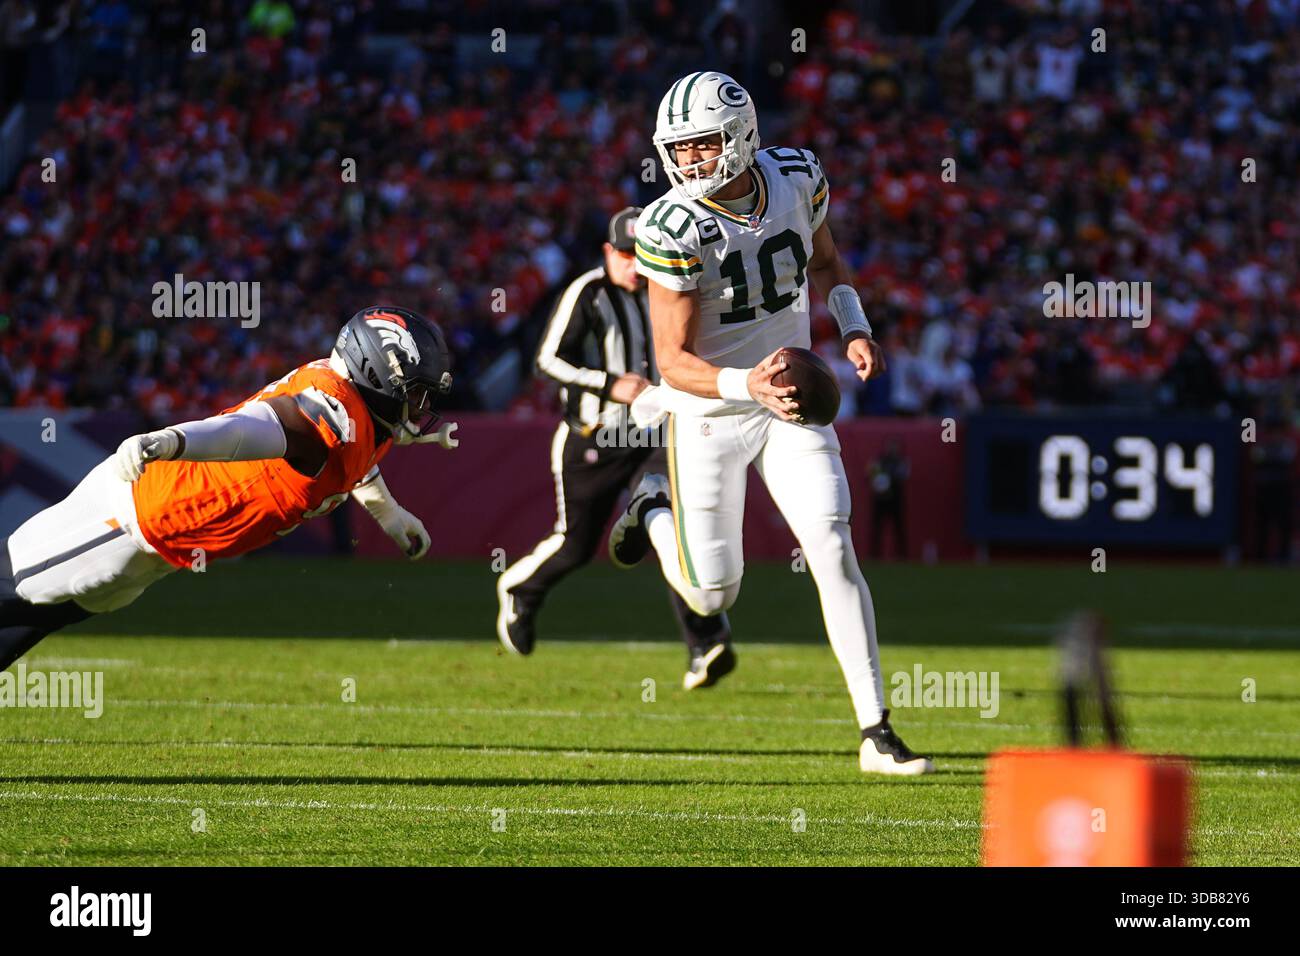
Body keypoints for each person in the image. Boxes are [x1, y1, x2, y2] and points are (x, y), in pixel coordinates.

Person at [608, 71, 933, 774]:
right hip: (707, 408)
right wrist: (744, 382)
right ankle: (654, 506)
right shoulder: (672, 224)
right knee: (713, 590)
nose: (689, 160)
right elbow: (670, 362)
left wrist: (852, 327)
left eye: (703, 144)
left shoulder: (794, 177)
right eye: (680, 148)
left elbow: (826, 260)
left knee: (831, 539)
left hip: (786, 399)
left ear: (743, 135)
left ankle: (876, 730)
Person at [1, 306, 456, 670]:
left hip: (160, 552)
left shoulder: (363, 419)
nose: (422, 407)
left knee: (32, 618)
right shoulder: (330, 411)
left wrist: (388, 513)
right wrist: (174, 441)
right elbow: (246, 431)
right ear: (376, 374)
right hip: (136, 511)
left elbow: (355, 461)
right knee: (12, 584)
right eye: (416, 393)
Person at [497, 209, 734, 689]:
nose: (632, 265)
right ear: (608, 252)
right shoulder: (588, 292)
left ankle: (705, 641)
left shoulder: (664, 288)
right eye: (624, 255)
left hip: (653, 436)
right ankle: (520, 589)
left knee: (668, 521)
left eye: (639, 255)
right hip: (595, 437)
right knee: (576, 546)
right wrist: (609, 384)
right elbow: (546, 360)